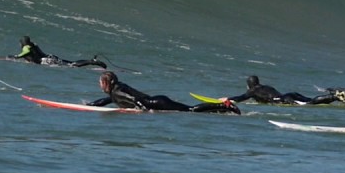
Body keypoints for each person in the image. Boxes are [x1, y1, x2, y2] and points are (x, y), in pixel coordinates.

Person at [89, 71, 240, 113]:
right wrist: (89, 105)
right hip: (157, 101)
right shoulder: (115, 91)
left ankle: (225, 106)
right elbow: (107, 100)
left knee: (190, 110)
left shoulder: (118, 91)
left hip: (157, 103)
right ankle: (217, 110)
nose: (99, 84)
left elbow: (135, 99)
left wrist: (144, 110)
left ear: (107, 83)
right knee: (189, 109)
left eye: (100, 82)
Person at [225, 75, 338, 105]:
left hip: (284, 100)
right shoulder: (267, 87)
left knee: (311, 103)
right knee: (310, 101)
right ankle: (334, 96)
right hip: (289, 95)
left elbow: (240, 98)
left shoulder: (252, 91)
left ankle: (333, 97)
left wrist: (227, 99)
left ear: (249, 84)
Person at [13, 36, 105, 68]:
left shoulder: (26, 46)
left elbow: (26, 51)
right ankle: (91, 61)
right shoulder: (33, 44)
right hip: (50, 57)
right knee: (71, 63)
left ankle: (92, 62)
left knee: (72, 65)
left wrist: (17, 56)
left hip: (47, 61)